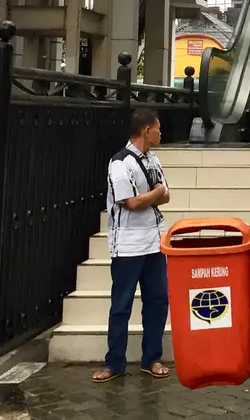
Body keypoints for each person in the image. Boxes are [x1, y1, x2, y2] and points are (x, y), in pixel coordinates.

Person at [93, 108, 171, 383]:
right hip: (127, 244)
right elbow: (131, 203)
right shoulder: (120, 163)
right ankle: (115, 363)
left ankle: (152, 358)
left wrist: (152, 195)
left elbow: (166, 196)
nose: (161, 133)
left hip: (154, 241)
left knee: (158, 301)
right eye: (158, 128)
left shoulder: (154, 161)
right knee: (122, 304)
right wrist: (155, 193)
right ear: (146, 130)